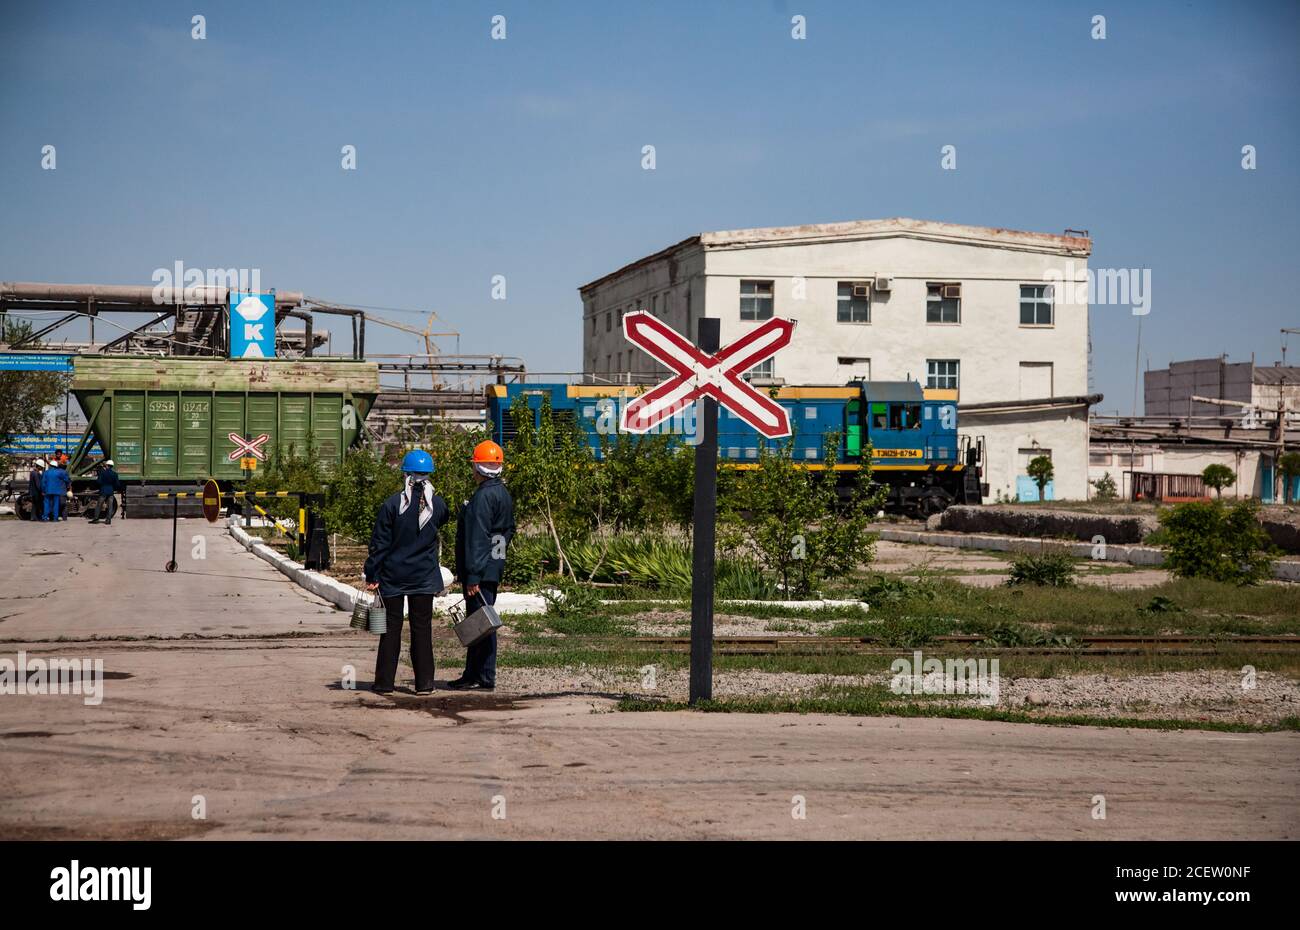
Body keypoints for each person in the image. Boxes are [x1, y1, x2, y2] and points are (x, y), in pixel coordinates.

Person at [363, 450, 449, 695]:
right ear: (430, 475)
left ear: (405, 474)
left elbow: (379, 544)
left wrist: (372, 574)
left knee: (390, 630)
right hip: (423, 578)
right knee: (422, 630)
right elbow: (443, 520)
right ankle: (425, 684)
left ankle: (384, 683)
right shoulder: (437, 506)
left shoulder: (392, 505)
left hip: (393, 577)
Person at [449, 440, 515, 691]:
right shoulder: (502, 493)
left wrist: (473, 575)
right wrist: (495, 556)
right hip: (493, 567)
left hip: (480, 570)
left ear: (479, 468)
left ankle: (482, 676)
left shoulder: (483, 497)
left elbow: (477, 539)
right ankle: (473, 673)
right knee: (482, 621)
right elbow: (508, 530)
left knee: (482, 625)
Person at [90, 459, 122, 524]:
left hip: (103, 491)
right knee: (110, 506)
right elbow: (117, 484)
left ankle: (96, 519)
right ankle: (108, 520)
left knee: (99, 505)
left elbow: (98, 481)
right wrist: (113, 487)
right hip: (111, 492)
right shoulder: (115, 474)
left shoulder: (102, 473)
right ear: (112, 466)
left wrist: (102, 486)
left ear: (107, 465)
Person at [40, 458, 70, 522]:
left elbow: (43, 483)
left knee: (47, 504)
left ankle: (45, 517)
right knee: (56, 504)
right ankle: (55, 518)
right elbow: (67, 480)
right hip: (57, 491)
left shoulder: (46, 472)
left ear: (50, 465)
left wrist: (43, 490)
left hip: (47, 491)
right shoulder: (60, 472)